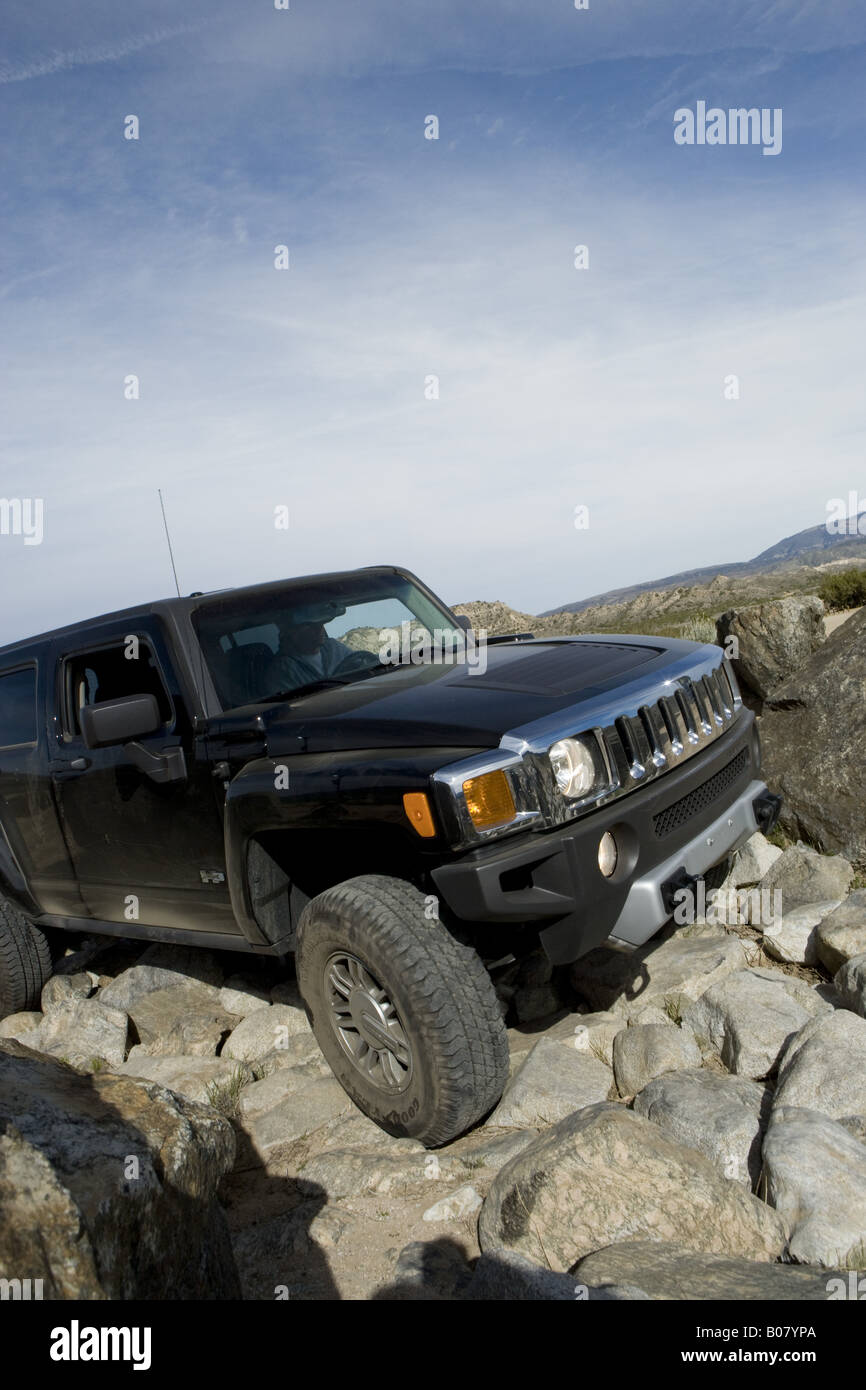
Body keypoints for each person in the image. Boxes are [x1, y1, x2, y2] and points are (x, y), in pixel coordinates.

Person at [266, 601, 357, 692]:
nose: (319, 629)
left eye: (321, 623)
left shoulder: (333, 647)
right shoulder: (282, 669)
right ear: (292, 632)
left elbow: (358, 664)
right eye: (309, 626)